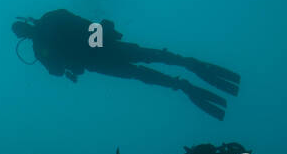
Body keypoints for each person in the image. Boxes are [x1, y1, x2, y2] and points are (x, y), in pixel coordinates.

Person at [12, 10, 240, 120]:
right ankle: (186, 75)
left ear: (24, 29)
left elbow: (60, 67)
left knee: (144, 67)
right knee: (146, 65)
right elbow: (60, 66)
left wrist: (95, 45)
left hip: (101, 56)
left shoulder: (43, 40)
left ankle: (185, 77)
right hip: (102, 55)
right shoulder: (45, 35)